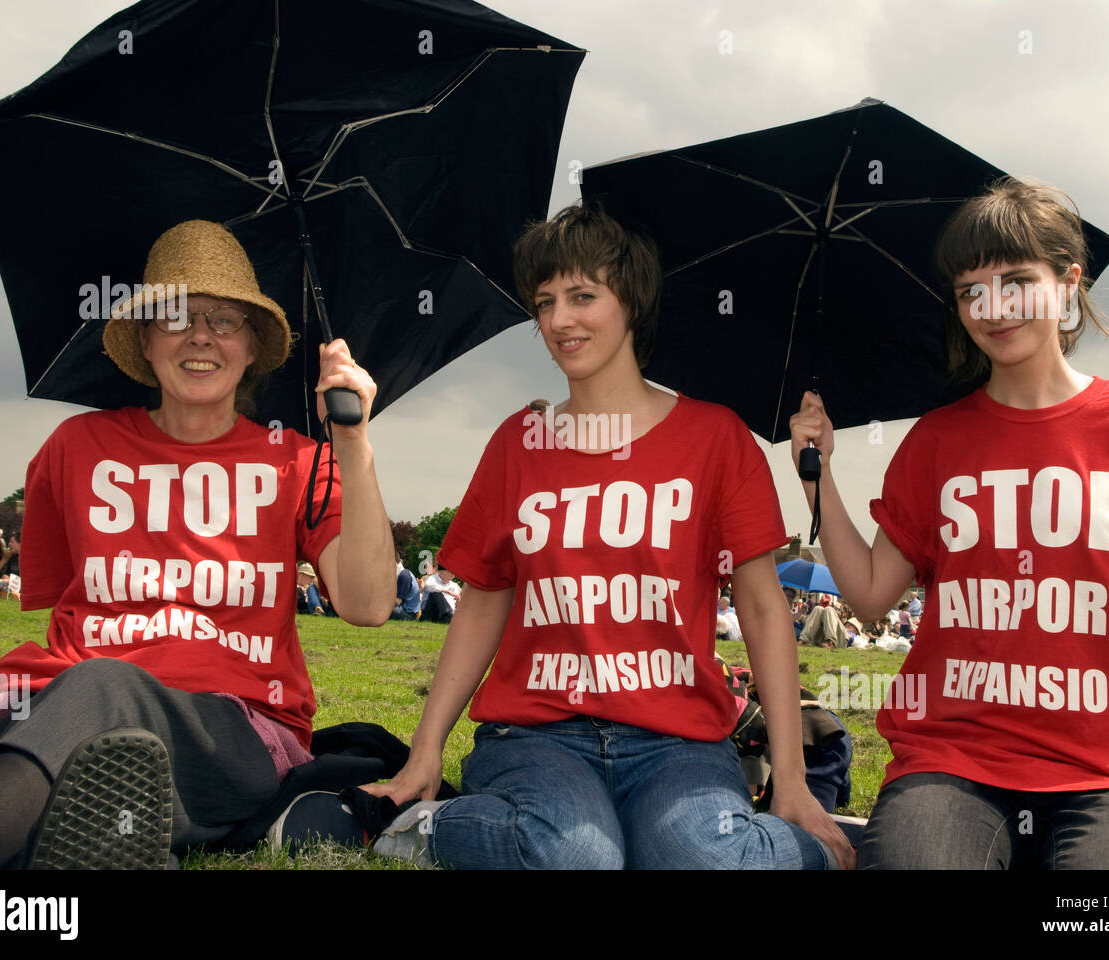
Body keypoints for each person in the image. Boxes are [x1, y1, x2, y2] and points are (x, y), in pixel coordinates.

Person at [361, 203, 851, 870]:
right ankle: (428, 828)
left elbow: (765, 610)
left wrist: (791, 782)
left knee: (707, 860)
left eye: (584, 296)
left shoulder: (716, 440)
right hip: (536, 736)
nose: (561, 319)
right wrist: (424, 754)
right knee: (576, 858)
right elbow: (482, 600)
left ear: (631, 302)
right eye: (545, 301)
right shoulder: (518, 443)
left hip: (678, 742)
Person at [0, 219, 396, 869]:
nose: (200, 335)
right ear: (145, 340)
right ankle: (102, 837)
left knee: (104, 686)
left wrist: (353, 442)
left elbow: (370, 603)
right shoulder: (73, 449)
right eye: (176, 317)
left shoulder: (299, 462)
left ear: (254, 346)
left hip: (232, 731)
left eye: (224, 320)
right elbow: (60, 600)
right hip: (65, 703)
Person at [790, 177, 1109, 870]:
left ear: (1069, 281)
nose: (993, 307)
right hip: (955, 763)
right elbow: (871, 595)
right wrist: (821, 476)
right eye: (970, 291)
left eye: (1017, 280)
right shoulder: (937, 440)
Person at [392, 556, 421, 620]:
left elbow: (398, 601)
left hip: (409, 613)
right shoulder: (401, 573)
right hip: (405, 609)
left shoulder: (404, 576)